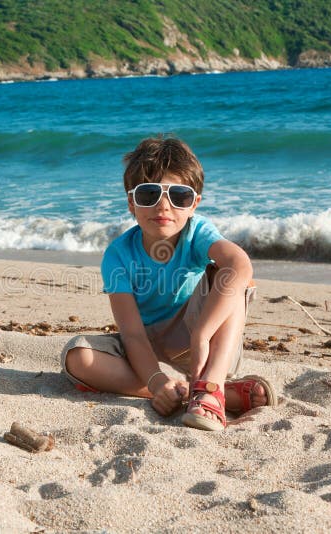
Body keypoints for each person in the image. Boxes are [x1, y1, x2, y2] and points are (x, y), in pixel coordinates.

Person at [60, 135, 276, 431]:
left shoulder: (197, 233)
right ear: (131, 204)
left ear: (194, 204)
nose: (163, 206)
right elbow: (133, 335)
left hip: (210, 353)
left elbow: (240, 264)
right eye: (149, 195)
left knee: (232, 274)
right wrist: (157, 381)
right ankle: (202, 395)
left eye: (179, 196)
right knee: (77, 357)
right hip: (147, 355)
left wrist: (201, 335)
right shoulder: (118, 255)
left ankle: (210, 386)